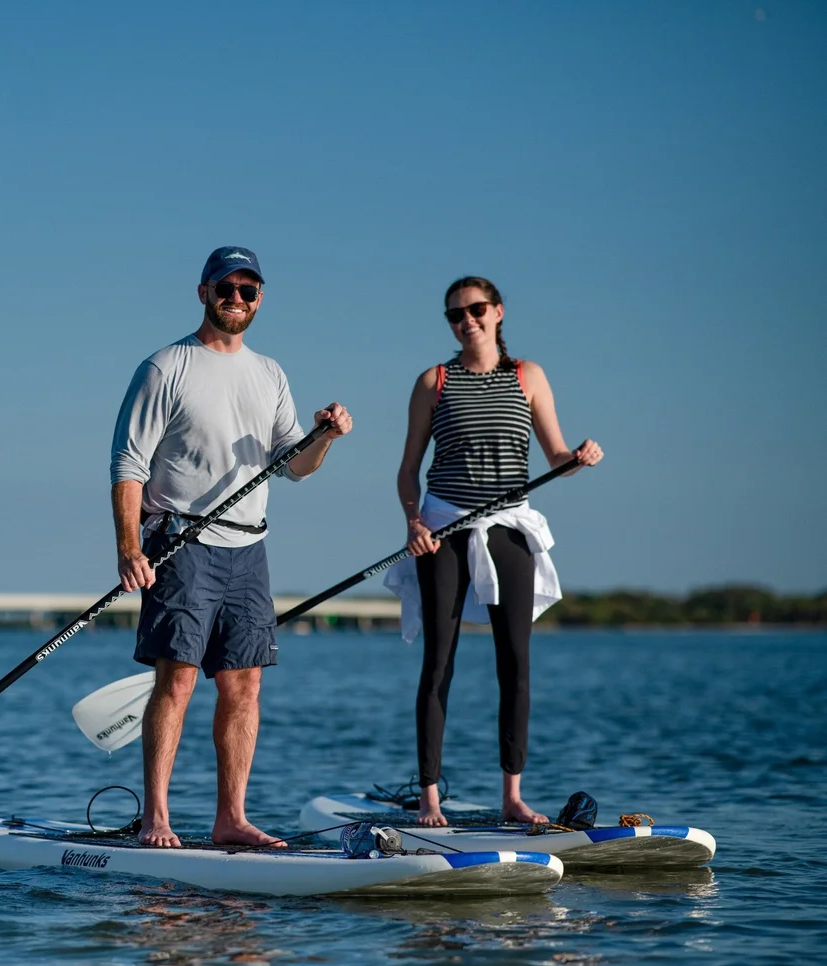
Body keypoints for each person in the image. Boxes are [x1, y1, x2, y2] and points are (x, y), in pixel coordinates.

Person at [110, 246, 352, 848]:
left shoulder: (270, 373)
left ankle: (230, 820)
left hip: (250, 550)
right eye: (226, 288)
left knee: (244, 685)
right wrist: (127, 548)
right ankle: (156, 818)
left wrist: (326, 436)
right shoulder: (166, 367)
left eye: (248, 290)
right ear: (204, 292)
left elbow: (295, 467)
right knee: (179, 680)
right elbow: (127, 466)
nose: (236, 299)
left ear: (260, 298)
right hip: (181, 543)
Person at [390, 275, 602, 827]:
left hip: (508, 530)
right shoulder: (433, 382)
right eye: (456, 314)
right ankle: (430, 799)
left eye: (476, 309)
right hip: (443, 530)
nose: (467, 320)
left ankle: (512, 796)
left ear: (499, 312)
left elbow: (554, 454)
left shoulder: (527, 376)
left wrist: (577, 456)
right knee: (438, 664)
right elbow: (408, 469)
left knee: (516, 664)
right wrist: (414, 522)